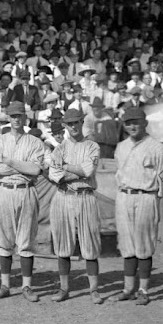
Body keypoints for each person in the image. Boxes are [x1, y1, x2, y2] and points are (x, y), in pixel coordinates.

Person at [0, 101, 47, 302]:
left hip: (26, 191)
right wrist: (22, 167)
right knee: (4, 239)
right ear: (8, 118)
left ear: (25, 117)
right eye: (13, 116)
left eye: (20, 115)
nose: (16, 119)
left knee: (26, 239)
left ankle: (27, 286)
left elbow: (35, 170)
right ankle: (5, 285)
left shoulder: (35, 142)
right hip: (3, 191)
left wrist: (10, 162)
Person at [112, 106, 163, 304]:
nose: (132, 126)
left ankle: (144, 290)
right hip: (124, 196)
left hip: (146, 196)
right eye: (128, 122)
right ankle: (128, 288)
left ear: (145, 123)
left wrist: (157, 196)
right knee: (127, 245)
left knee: (144, 245)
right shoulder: (121, 146)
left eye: (136, 121)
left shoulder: (157, 147)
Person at [47, 109, 103, 303]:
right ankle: (64, 288)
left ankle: (94, 290)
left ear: (81, 122)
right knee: (63, 243)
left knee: (90, 243)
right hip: (64, 196)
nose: (73, 126)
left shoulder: (92, 146)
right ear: (64, 125)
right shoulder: (59, 148)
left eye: (76, 122)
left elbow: (88, 170)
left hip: (86, 195)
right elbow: (54, 176)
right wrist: (76, 170)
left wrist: (66, 167)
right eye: (69, 123)